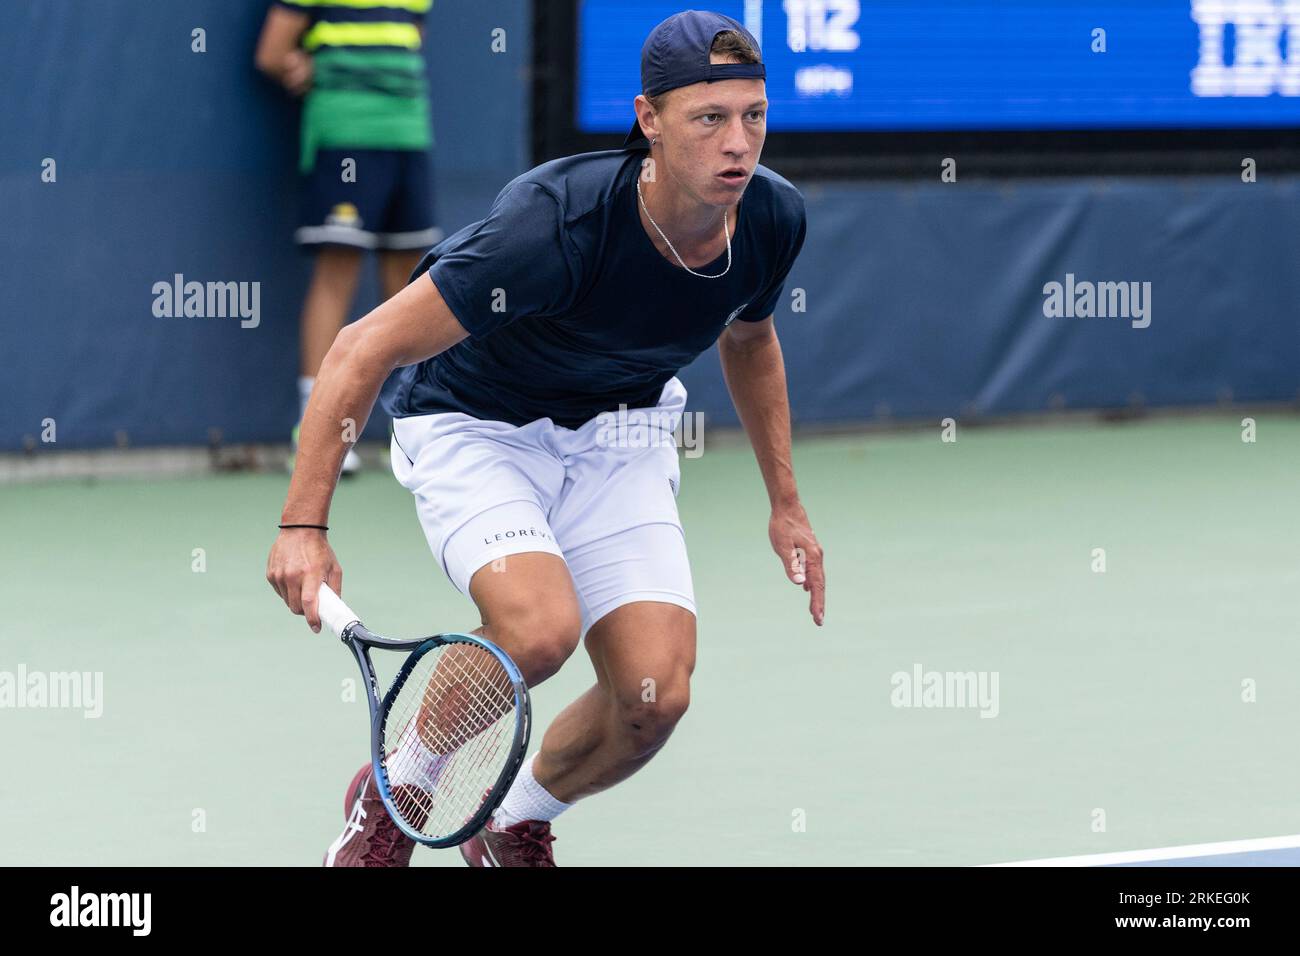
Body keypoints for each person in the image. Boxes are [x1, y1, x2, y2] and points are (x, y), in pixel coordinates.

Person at [266, 10, 824, 868]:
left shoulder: (771, 219)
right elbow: (361, 348)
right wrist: (304, 525)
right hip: (474, 423)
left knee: (654, 697)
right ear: (649, 120)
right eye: (709, 118)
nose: (737, 143)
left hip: (622, 433)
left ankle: (511, 821)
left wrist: (786, 503)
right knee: (537, 633)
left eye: (753, 115)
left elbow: (749, 339)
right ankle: (395, 791)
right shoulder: (554, 223)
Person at [255, 0, 441, 474]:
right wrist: (306, 66)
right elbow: (273, 52)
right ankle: (314, 428)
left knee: (408, 278)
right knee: (338, 270)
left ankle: (412, 428)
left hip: (407, 130)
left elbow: (410, 41)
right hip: (344, 132)